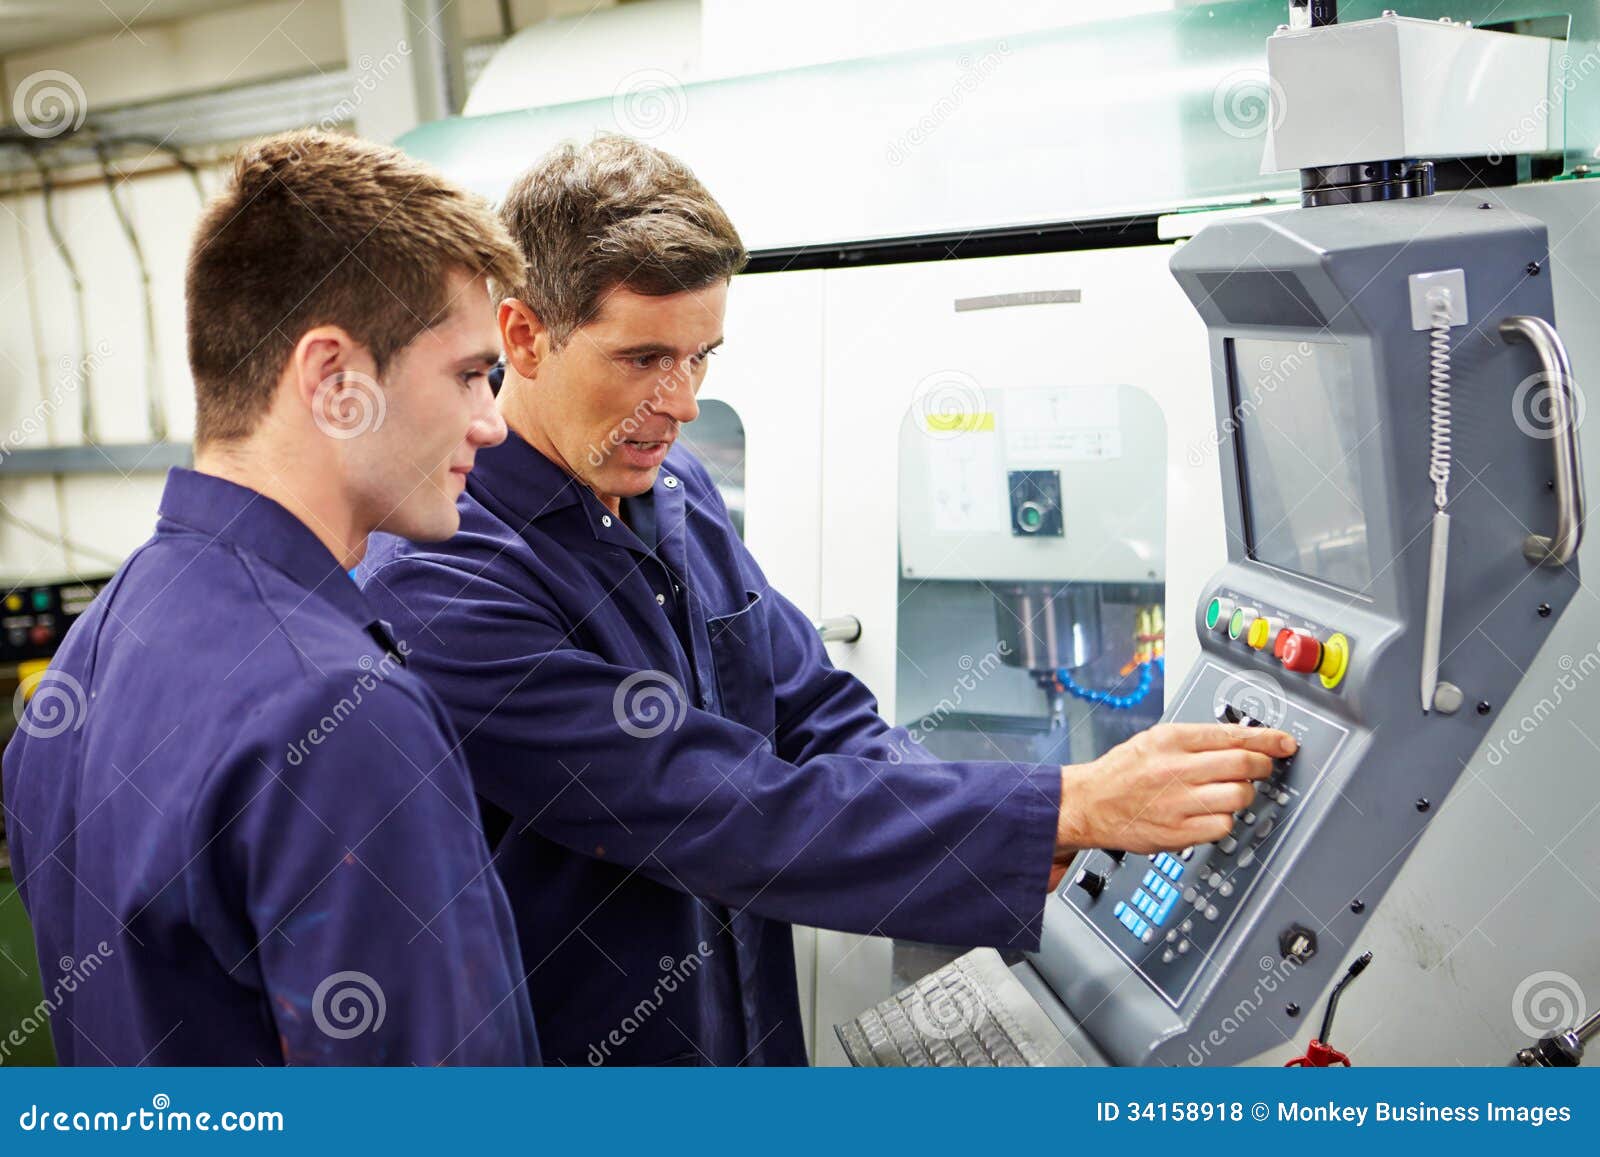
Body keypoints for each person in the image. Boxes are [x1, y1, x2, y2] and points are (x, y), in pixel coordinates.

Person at [357, 134, 1293, 1066]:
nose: (681, 403)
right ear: (523, 336)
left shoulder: (671, 490)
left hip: (745, 1034)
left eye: (701, 357)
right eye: (644, 358)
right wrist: (1063, 806)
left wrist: (987, 835)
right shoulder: (445, 578)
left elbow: (816, 709)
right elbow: (718, 806)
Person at [2, 130, 539, 1065]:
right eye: (467, 375)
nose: (491, 421)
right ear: (334, 382)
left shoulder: (94, 646)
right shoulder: (337, 708)